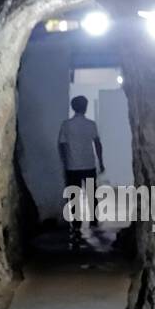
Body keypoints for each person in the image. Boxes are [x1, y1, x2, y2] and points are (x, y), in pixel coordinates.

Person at [57, 95, 104, 249]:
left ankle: (76, 223)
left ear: (73, 107)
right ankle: (93, 219)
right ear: (85, 107)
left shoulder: (66, 125)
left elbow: (62, 145)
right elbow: (97, 144)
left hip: (72, 166)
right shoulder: (91, 124)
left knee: (74, 195)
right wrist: (101, 162)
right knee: (91, 194)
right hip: (89, 164)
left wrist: (64, 162)